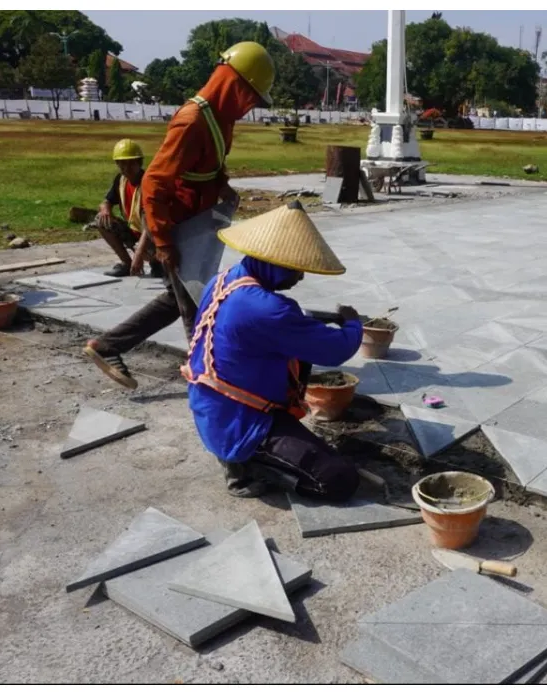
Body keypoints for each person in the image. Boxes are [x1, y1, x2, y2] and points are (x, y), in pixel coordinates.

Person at [83, 42, 274, 389]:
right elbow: (154, 184)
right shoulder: (192, 122)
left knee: (178, 299)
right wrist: (163, 243)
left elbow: (208, 164)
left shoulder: (220, 119)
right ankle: (206, 379)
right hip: (175, 227)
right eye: (251, 99)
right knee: (195, 304)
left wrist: (222, 186)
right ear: (234, 85)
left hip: (194, 224)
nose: (250, 108)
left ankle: (107, 346)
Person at [184, 200, 363, 500]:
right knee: (339, 479)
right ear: (276, 263)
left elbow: (271, 324)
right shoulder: (267, 310)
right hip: (242, 424)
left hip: (213, 407)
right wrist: (353, 323)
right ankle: (250, 466)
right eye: (297, 268)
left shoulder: (223, 279)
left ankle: (261, 450)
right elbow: (337, 349)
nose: (301, 277)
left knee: (299, 344)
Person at [95, 138, 163, 278]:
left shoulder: (148, 183)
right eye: (122, 164)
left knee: (146, 245)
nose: (127, 168)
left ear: (139, 162)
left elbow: (150, 224)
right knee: (100, 220)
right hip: (134, 232)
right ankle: (127, 263)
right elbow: (106, 201)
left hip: (151, 236)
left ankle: (157, 263)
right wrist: (105, 209)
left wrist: (139, 253)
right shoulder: (121, 180)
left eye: (131, 163)